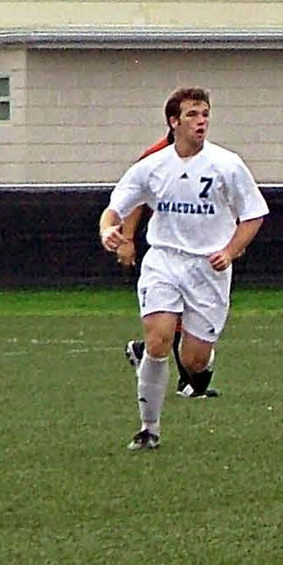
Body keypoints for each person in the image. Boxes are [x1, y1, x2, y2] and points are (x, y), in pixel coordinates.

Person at [100, 87, 266, 449]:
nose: (201, 120)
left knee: (193, 361)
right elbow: (116, 207)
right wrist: (108, 231)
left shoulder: (227, 164)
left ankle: (201, 363)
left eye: (204, 113)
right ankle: (149, 428)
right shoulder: (153, 166)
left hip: (209, 268)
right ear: (174, 122)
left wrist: (231, 250)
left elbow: (254, 215)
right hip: (164, 260)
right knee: (157, 340)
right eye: (192, 114)